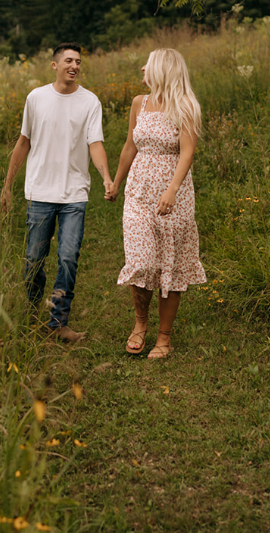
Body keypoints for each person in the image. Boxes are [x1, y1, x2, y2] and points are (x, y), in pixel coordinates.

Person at [1, 43, 112, 342]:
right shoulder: (36, 98)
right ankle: (31, 314)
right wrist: (7, 185)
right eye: (68, 61)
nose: (74, 66)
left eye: (78, 61)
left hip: (74, 193)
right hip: (39, 192)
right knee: (33, 258)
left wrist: (106, 177)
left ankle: (58, 323)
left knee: (68, 257)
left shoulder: (90, 102)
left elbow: (95, 144)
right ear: (54, 65)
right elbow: (23, 142)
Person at [106, 48, 205, 359]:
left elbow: (187, 152)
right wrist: (116, 182)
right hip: (138, 190)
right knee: (141, 260)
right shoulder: (140, 103)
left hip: (173, 193)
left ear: (161, 70)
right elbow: (129, 146)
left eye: (146, 66)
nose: (142, 70)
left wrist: (172, 190)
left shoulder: (186, 105)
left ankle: (164, 338)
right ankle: (140, 323)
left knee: (171, 265)